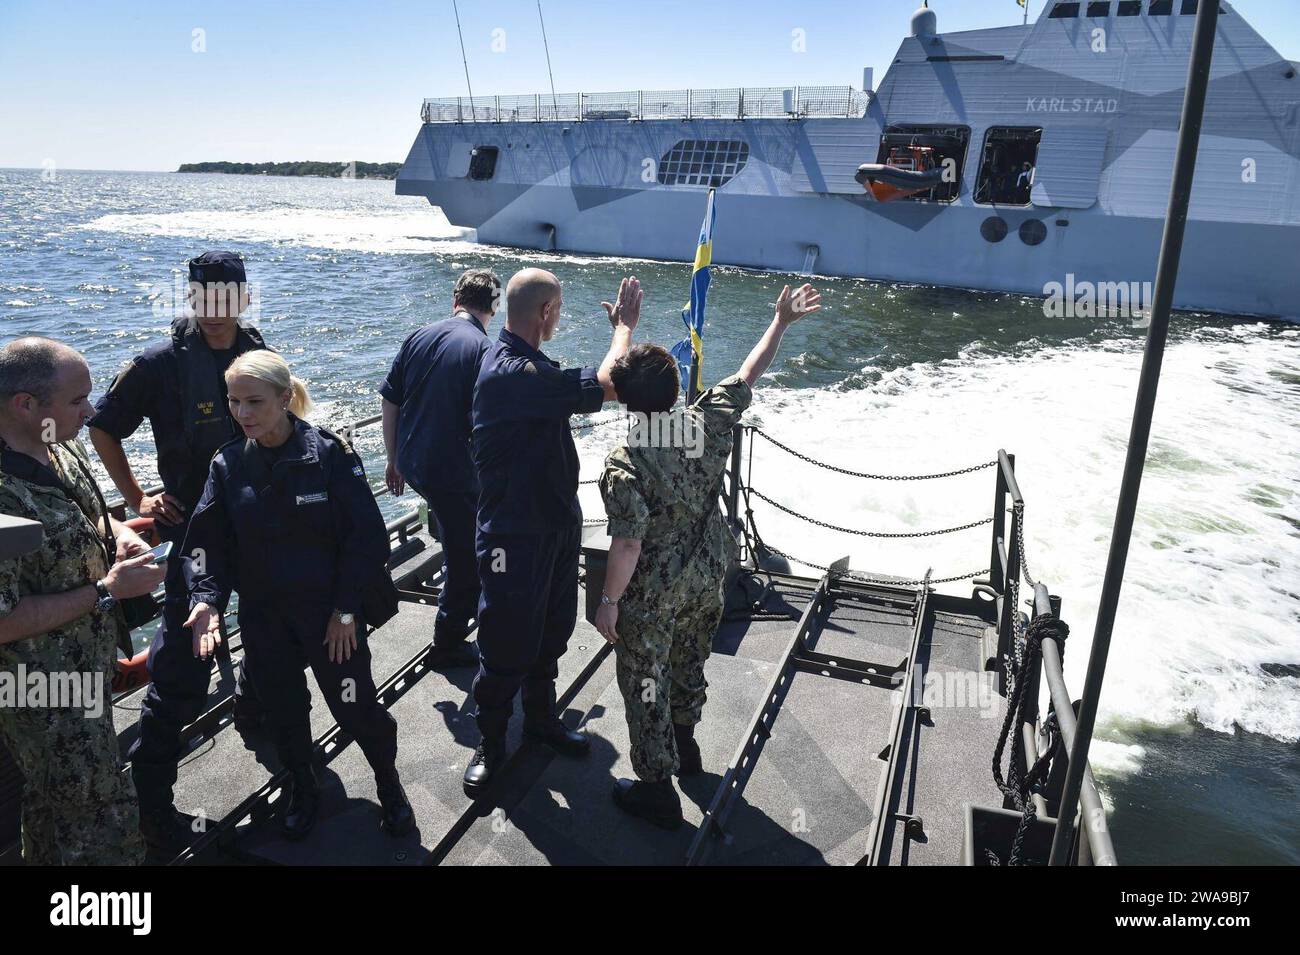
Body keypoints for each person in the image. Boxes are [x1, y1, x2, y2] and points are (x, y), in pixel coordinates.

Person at [596, 283, 822, 829]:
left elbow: (627, 544)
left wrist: (608, 602)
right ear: (676, 388)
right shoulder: (704, 423)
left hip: (650, 594)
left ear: (626, 402)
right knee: (689, 660)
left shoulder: (625, 461)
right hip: (705, 577)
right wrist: (781, 322)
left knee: (644, 679)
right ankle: (686, 744)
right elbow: (748, 372)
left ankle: (656, 789)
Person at [181, 351, 413, 841]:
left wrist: (347, 609)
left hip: (330, 616)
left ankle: (388, 783)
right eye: (234, 401)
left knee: (355, 707)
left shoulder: (327, 455)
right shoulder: (226, 465)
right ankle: (303, 785)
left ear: (285, 399)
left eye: (254, 402)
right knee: (285, 712)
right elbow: (205, 544)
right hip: (266, 620)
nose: (242, 413)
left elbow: (366, 538)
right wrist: (205, 598)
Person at [88, 250, 272, 852]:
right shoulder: (160, 365)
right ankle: (154, 810)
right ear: (190, 299)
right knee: (180, 673)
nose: (215, 314)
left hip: (259, 525)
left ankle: (262, 717)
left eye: (226, 301)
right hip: (195, 534)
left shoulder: (256, 354)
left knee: (275, 637)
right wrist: (138, 496)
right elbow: (103, 425)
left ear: (242, 300)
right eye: (203, 300)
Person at [462, 269, 641, 797]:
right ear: (546, 313)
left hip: (553, 526)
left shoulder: (530, 366)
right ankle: (491, 744)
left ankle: (539, 720)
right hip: (513, 537)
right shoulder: (512, 373)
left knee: (551, 631)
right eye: (558, 309)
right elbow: (608, 384)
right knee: (504, 646)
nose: (559, 318)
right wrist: (625, 328)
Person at [0, 337, 166, 864]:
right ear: (26, 404)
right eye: (78, 400)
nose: (90, 411)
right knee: (101, 813)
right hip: (41, 693)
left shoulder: (55, 441)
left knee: (53, 809)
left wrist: (118, 531)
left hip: (86, 669)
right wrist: (105, 592)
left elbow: (85, 511)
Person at [380, 269, 500, 669]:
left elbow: (390, 400)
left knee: (457, 534)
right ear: (494, 307)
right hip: (452, 472)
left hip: (414, 463)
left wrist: (392, 457)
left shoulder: (419, 335)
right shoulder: (484, 350)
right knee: (467, 554)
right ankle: (446, 642)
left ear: (456, 300)